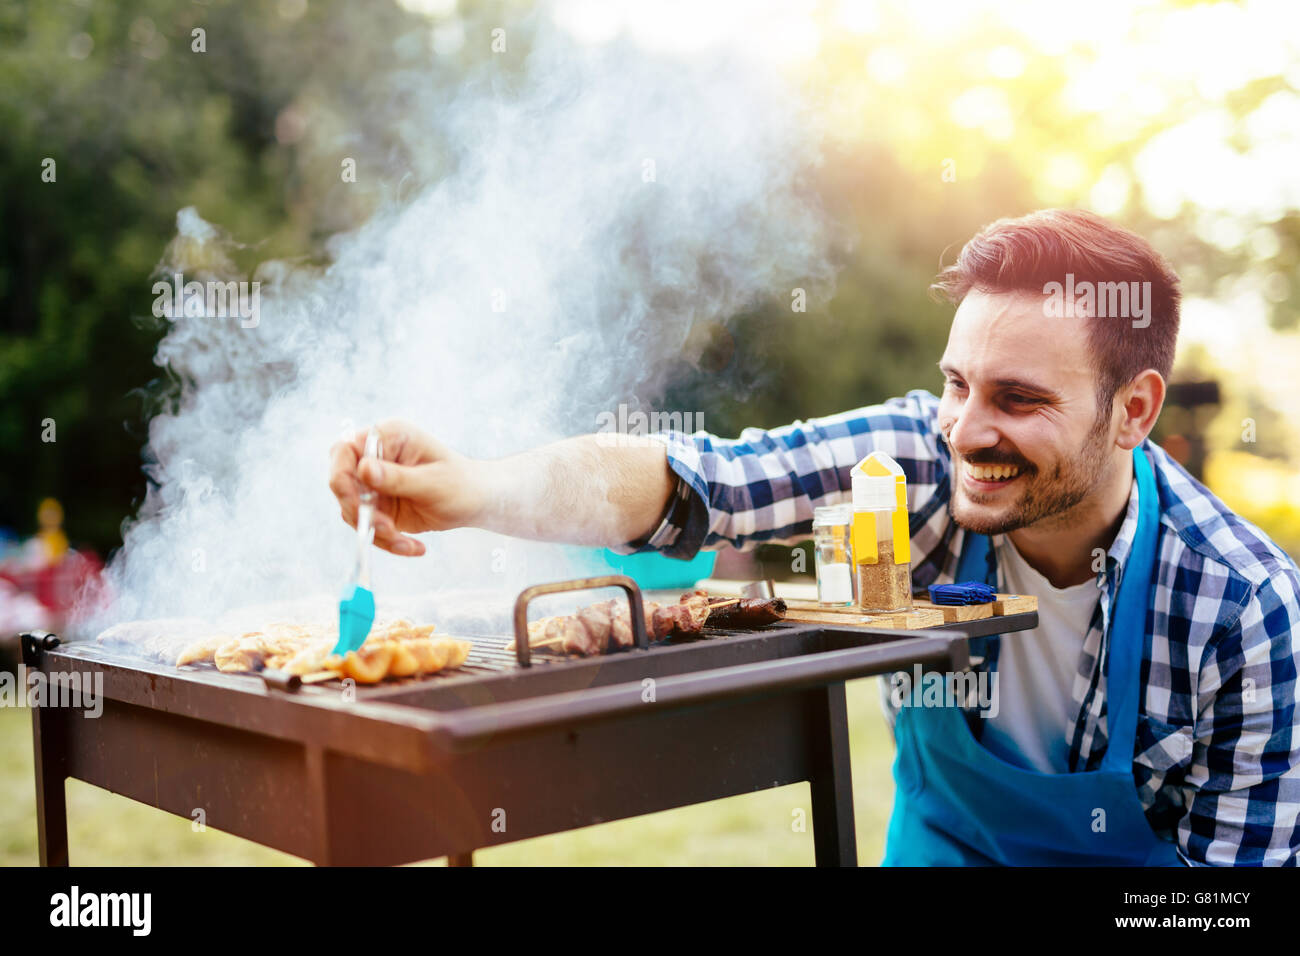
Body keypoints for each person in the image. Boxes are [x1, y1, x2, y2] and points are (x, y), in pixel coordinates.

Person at [328, 209, 1300, 866]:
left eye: (1018, 398)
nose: (964, 431)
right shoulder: (909, 464)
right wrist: (473, 486)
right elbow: (698, 480)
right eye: (958, 383)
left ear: (1133, 410)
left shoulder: (1239, 608)